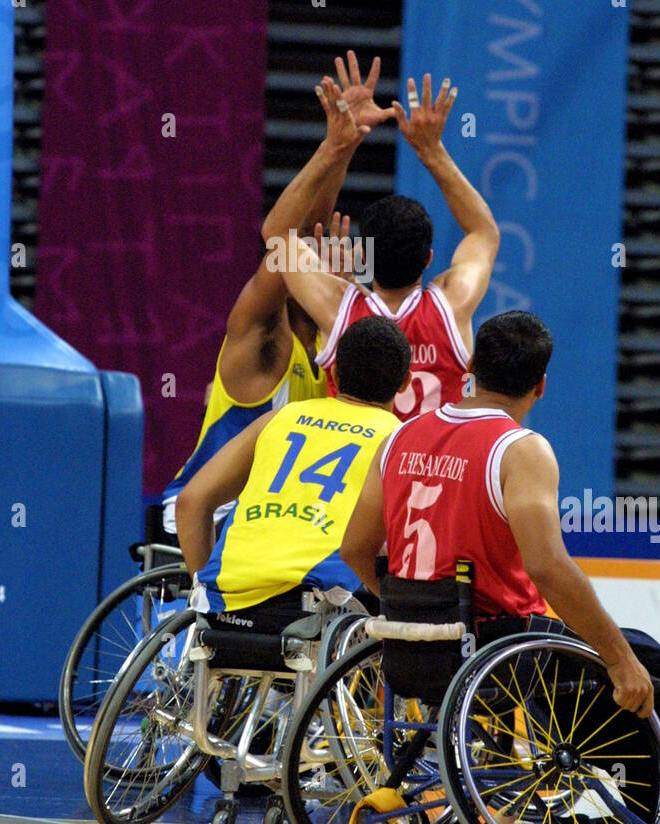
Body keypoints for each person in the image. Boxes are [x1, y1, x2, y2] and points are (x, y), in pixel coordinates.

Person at [341, 309, 660, 824]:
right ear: (540, 385)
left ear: (470, 365)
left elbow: (355, 548)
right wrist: (620, 659)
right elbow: (549, 568)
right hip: (494, 648)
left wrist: (407, 612)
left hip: (407, 650)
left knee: (625, 664)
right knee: (641, 662)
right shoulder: (519, 450)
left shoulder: (401, 438)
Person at [162, 53, 385, 537]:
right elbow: (286, 241)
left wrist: (345, 149)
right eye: (313, 265)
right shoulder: (264, 342)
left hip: (275, 526)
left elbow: (303, 244)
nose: (323, 270)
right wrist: (335, 148)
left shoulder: (337, 361)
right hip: (208, 520)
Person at [268, 59, 500, 423]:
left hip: (360, 476)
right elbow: (483, 232)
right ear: (429, 259)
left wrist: (335, 145)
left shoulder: (338, 309)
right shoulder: (452, 304)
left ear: (364, 256)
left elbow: (277, 234)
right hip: (429, 478)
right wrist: (431, 150)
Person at [175, 317, 409, 620]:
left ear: (334, 372)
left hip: (228, 601)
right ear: (405, 382)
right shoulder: (400, 439)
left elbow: (190, 502)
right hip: (313, 605)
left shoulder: (279, 419)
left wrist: (207, 591)